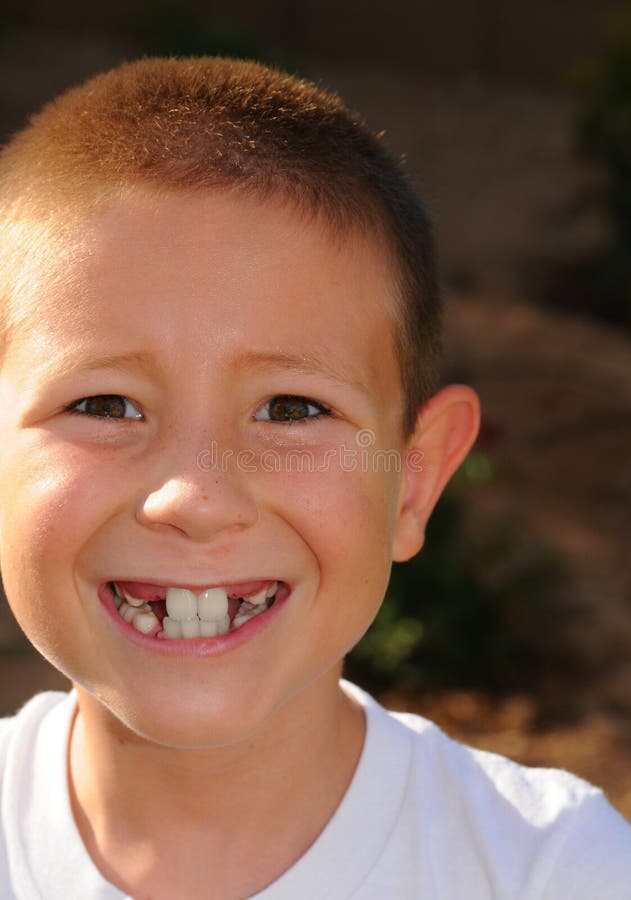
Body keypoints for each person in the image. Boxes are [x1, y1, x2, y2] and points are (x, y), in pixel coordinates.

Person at [0, 56, 628, 900]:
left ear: (413, 480)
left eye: (291, 409)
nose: (195, 497)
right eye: (106, 403)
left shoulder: (555, 873)